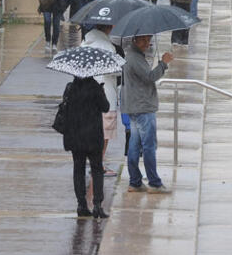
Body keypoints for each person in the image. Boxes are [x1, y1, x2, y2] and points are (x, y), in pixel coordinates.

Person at [122, 35, 174, 194]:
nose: (147, 43)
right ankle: (154, 183)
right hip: (143, 107)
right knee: (148, 146)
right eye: (143, 40)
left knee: (134, 145)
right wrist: (163, 63)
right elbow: (150, 77)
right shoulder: (135, 58)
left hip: (134, 107)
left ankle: (135, 182)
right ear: (135, 40)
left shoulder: (132, 56)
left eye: (149, 40)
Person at [60, 75, 110, 218]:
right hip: (93, 137)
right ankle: (97, 205)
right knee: (97, 169)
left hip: (75, 136)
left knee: (78, 169)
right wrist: (102, 92)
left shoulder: (70, 88)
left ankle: (81, 204)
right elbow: (105, 107)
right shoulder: (95, 87)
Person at [81, 23, 121, 177]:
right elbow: (114, 70)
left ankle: (93, 162)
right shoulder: (107, 46)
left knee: (92, 131)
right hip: (106, 94)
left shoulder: (85, 43)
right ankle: (99, 164)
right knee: (105, 133)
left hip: (87, 94)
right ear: (110, 27)